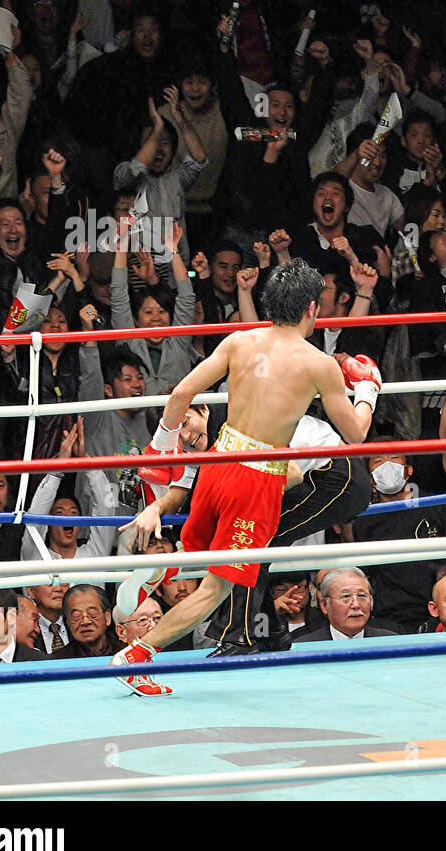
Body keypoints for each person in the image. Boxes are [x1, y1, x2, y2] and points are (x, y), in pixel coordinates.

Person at [109, 260, 379, 695]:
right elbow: (356, 432)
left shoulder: (239, 341)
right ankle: (135, 656)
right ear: (312, 309)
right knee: (216, 588)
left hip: (218, 463)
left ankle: (162, 569)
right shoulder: (318, 364)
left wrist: (161, 448)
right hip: (256, 481)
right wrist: (368, 390)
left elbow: (180, 394)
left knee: (198, 551)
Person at [117, 401, 373, 657]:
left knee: (247, 542)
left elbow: (292, 473)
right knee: (244, 542)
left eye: (184, 422)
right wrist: (154, 508)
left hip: (334, 475)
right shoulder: (196, 444)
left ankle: (239, 637)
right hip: (304, 483)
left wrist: (240, 507)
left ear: (203, 409)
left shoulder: (239, 425)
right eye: (175, 434)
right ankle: (270, 633)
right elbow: (179, 491)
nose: (185, 436)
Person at [292, 568, 397, 642]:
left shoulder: (390, 641)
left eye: (361, 596)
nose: (356, 605)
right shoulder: (304, 645)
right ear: (324, 605)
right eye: (346, 596)